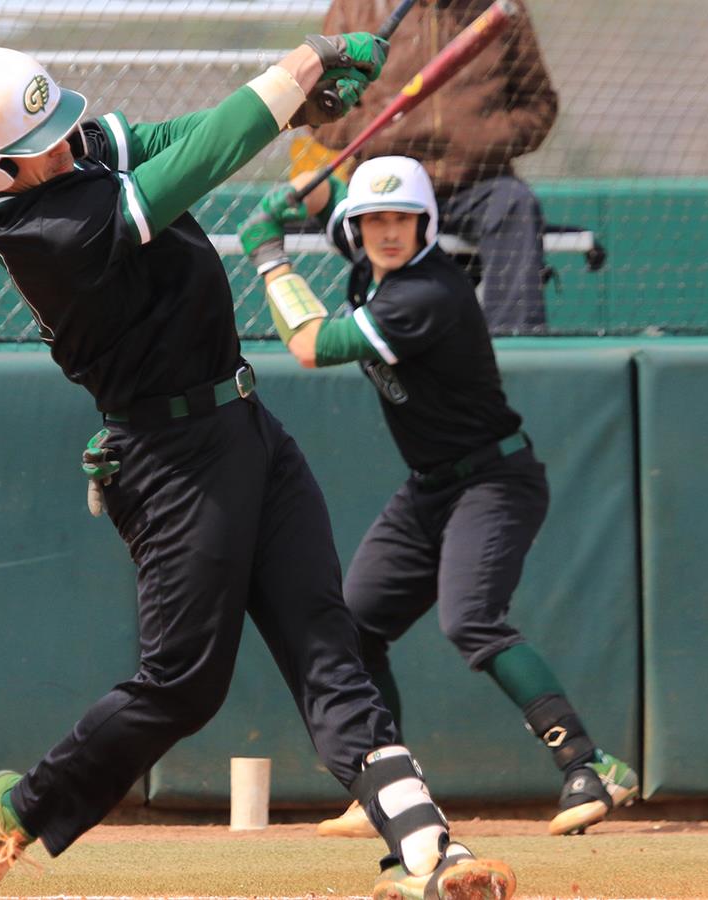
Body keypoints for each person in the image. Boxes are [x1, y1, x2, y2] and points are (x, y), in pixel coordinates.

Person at [0, 41, 517, 900]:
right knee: (182, 687)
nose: (63, 147)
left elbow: (176, 137)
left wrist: (295, 105)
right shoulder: (44, 231)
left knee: (328, 646)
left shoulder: (65, 153)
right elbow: (193, 168)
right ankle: (15, 813)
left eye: (57, 129)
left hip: (245, 426)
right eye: (36, 147)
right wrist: (303, 64)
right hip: (168, 461)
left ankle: (426, 854)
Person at [239, 155, 638, 838]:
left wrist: (270, 257)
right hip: (431, 486)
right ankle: (393, 786)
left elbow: (310, 344)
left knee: (471, 620)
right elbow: (332, 198)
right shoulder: (371, 265)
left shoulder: (425, 293)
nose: (388, 232)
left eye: (403, 219)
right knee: (355, 624)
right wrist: (306, 188)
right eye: (374, 220)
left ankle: (588, 763)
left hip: (495, 479)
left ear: (425, 224)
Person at [307, 0, 558, 334]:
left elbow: (540, 104)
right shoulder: (354, 8)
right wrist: (381, 132)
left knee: (515, 204)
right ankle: (386, 340)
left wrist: (485, 137)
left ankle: (515, 345)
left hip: (476, 183)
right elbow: (320, 109)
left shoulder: (500, 8)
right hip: (389, 185)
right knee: (378, 217)